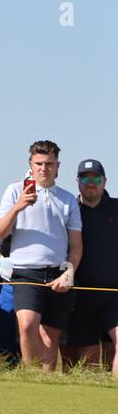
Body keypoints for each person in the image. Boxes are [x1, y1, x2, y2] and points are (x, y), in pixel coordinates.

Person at [0, 140, 83, 372]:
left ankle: (47, 384)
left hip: (58, 274)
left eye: (49, 164)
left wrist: (69, 273)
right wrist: (18, 207)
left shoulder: (68, 199)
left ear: (58, 166)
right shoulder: (14, 190)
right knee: (26, 326)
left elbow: (76, 245)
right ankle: (30, 376)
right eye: (39, 163)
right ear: (30, 164)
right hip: (25, 271)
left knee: (49, 339)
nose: (44, 168)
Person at [69, 160, 117, 377]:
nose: (91, 183)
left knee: (115, 345)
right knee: (89, 357)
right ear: (78, 182)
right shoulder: (70, 209)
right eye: (85, 178)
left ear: (104, 181)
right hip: (79, 295)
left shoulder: (116, 208)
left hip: (114, 294)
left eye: (96, 178)